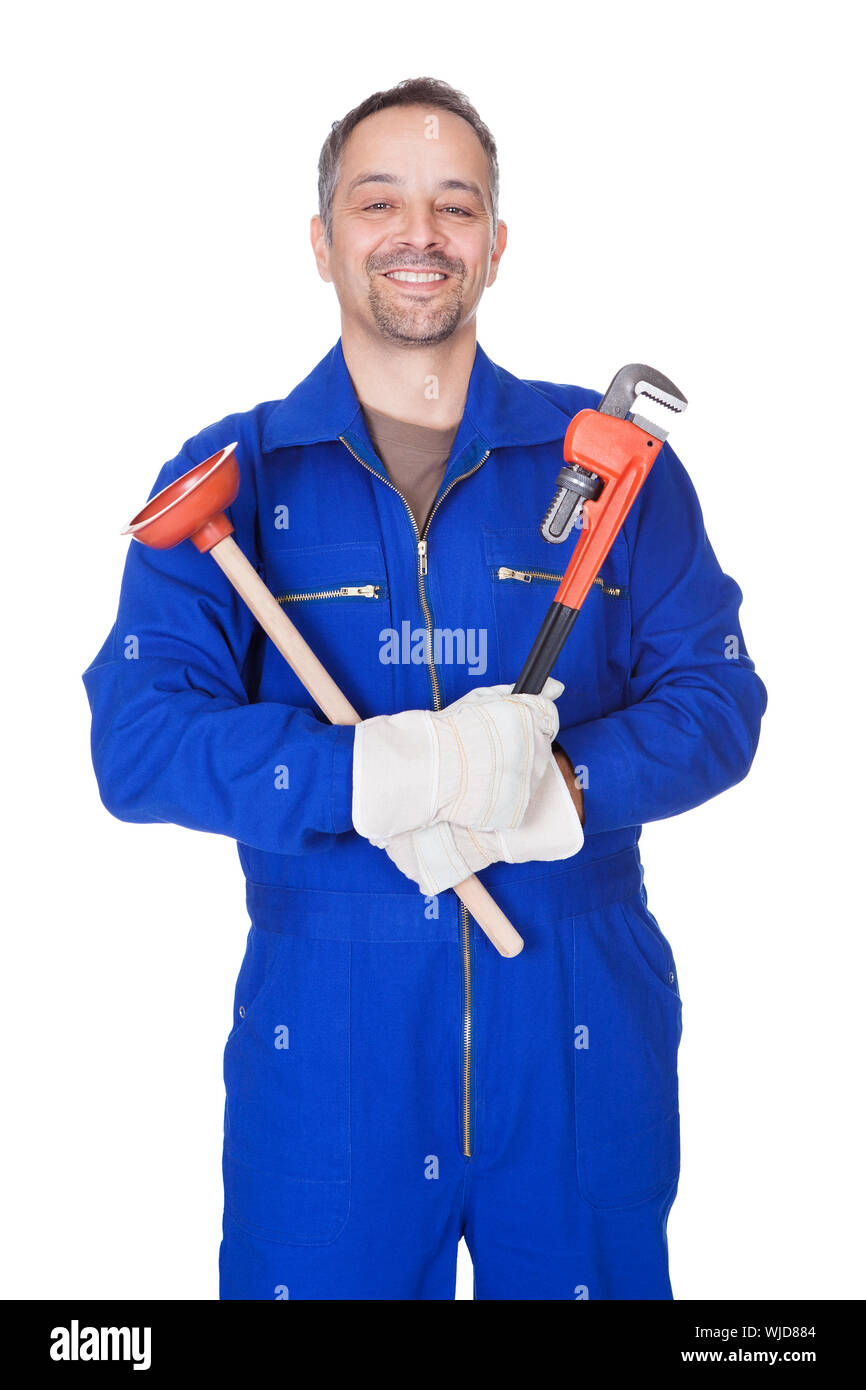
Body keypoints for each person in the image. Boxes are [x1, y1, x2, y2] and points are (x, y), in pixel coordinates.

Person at [83, 76, 767, 1301]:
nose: (418, 235)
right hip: (329, 1047)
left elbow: (719, 701)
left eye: (455, 206)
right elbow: (138, 743)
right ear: (321, 239)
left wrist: (560, 781)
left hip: (574, 1014)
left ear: (496, 245)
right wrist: (372, 772)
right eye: (378, 201)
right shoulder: (229, 476)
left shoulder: (612, 474)